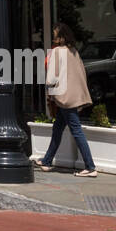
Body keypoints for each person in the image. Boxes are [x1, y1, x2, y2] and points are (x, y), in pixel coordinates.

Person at [37, 23, 98, 177]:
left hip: (64, 97)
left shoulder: (57, 52)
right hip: (73, 95)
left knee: (76, 130)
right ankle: (46, 161)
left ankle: (90, 167)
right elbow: (81, 73)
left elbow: (51, 77)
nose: (54, 36)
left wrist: (49, 91)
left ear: (61, 37)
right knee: (58, 128)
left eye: (55, 33)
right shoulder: (73, 52)